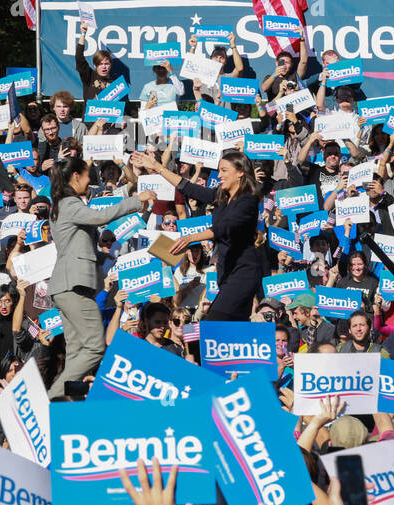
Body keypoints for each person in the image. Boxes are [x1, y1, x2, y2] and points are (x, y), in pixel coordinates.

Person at [45, 156, 154, 397]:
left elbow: (79, 246)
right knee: (95, 346)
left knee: (77, 351)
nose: (90, 180)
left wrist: (109, 259)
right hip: (73, 286)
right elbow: (98, 217)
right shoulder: (69, 203)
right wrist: (136, 200)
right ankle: (51, 400)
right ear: (75, 177)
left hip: (67, 286)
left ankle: (67, 405)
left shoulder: (63, 204)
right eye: (87, 175)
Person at [133, 149, 263, 322]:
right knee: (234, 329)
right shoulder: (222, 196)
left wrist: (189, 238)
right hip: (226, 273)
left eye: (224, 170)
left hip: (243, 272)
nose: (219, 175)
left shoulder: (248, 200)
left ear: (240, 173)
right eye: (219, 170)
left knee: (212, 324)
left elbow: (226, 226)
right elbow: (188, 188)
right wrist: (157, 166)